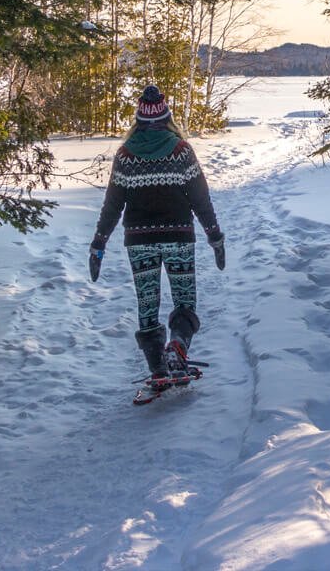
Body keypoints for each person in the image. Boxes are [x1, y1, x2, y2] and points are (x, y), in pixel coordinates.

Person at [88, 85, 226, 403]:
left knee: (147, 307)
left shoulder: (125, 155)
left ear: (138, 120)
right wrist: (214, 235)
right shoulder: (182, 151)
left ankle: (159, 370)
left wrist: (99, 243)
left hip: (139, 242)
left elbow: (112, 205)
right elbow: (201, 199)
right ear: (167, 118)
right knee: (184, 302)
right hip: (179, 237)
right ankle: (177, 346)